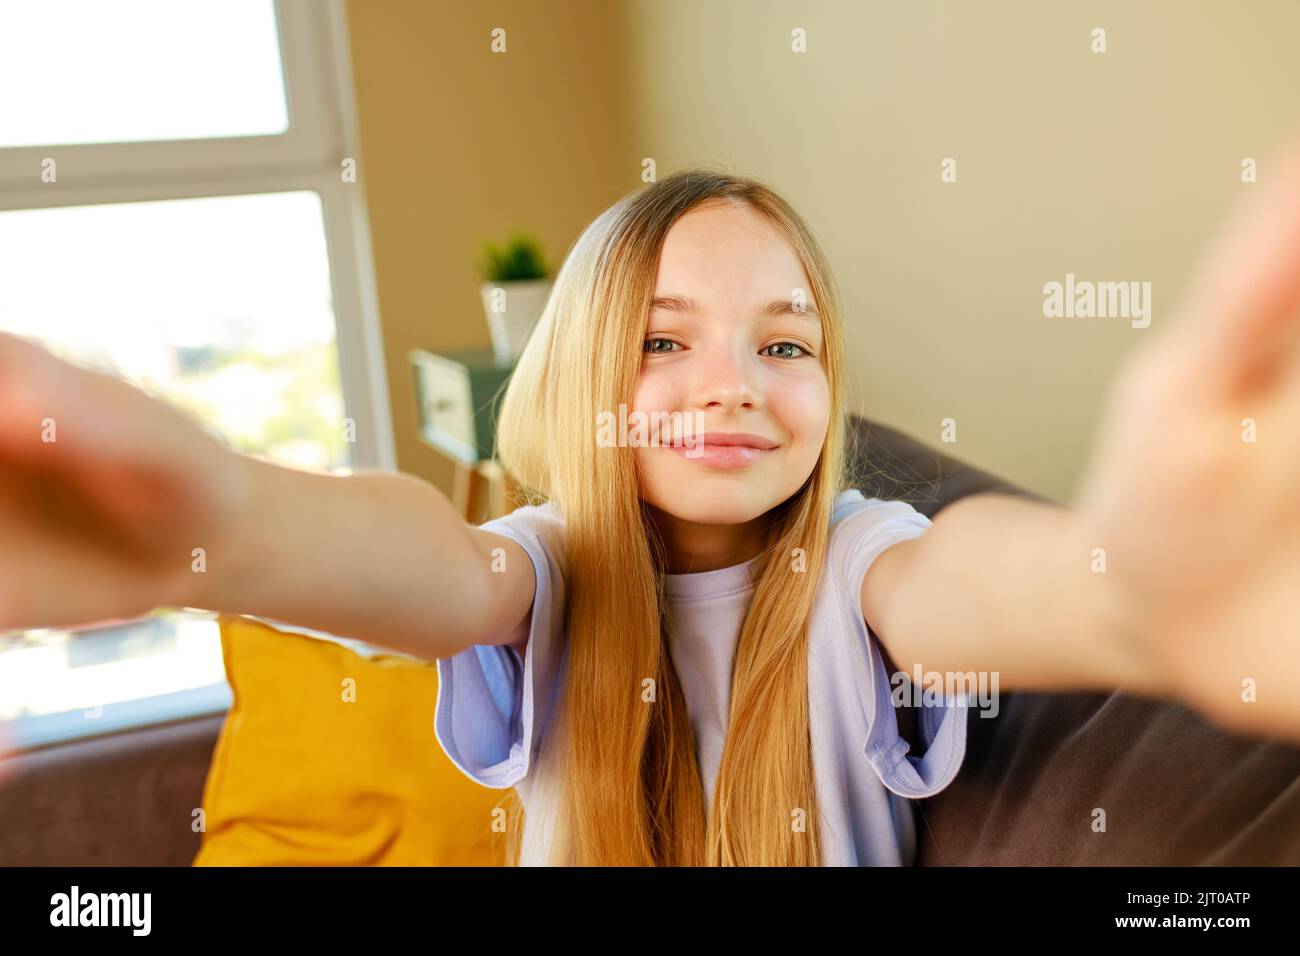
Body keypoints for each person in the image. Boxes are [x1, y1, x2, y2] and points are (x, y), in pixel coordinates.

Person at [2, 147, 1300, 866]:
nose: (732, 384)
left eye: (785, 346)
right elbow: (427, 565)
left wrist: (1131, 591)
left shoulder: (862, 570)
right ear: (578, 375)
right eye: (662, 342)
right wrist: (224, 529)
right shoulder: (545, 572)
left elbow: (975, 586)